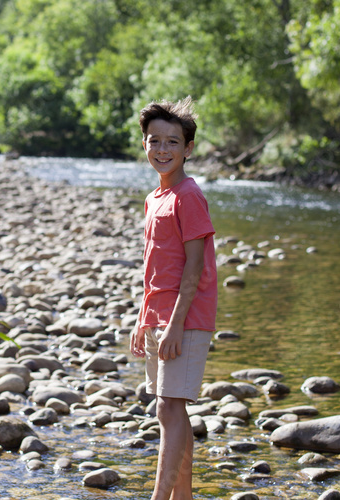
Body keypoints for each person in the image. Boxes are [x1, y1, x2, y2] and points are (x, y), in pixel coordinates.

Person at [129, 97, 217, 500]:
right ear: (144, 144)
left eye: (172, 142)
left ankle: (160, 496)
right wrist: (144, 318)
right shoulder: (155, 198)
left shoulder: (188, 196)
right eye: (154, 141)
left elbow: (194, 268)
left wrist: (176, 324)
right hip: (160, 316)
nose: (162, 150)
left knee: (167, 407)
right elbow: (155, 266)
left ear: (188, 149)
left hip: (185, 317)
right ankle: (183, 497)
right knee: (172, 409)